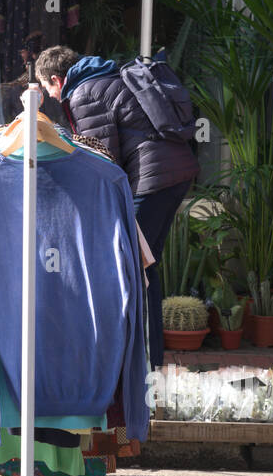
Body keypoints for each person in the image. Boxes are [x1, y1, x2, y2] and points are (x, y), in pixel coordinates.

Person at [35, 46, 199, 368]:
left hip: (152, 182)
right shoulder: (106, 78)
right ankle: (148, 358)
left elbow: (102, 162)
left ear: (56, 79)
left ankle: (141, 361)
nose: (52, 98)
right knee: (144, 264)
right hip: (174, 176)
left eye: (48, 90)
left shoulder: (83, 94)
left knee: (133, 266)